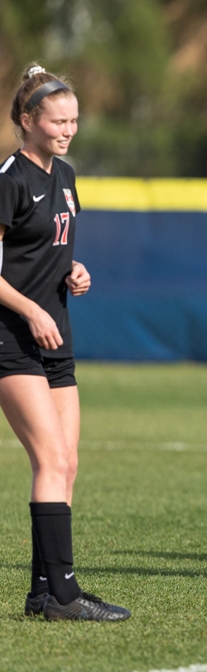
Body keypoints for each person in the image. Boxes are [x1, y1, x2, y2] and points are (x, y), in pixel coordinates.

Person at [1, 64, 130, 621]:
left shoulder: (68, 176)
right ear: (28, 120)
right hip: (12, 336)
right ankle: (65, 595)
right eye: (58, 121)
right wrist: (30, 309)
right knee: (50, 458)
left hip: (55, 333)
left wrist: (74, 272)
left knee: (67, 463)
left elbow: (48, 253)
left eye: (74, 120)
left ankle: (43, 593)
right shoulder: (9, 179)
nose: (68, 130)